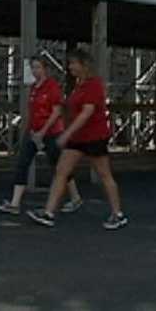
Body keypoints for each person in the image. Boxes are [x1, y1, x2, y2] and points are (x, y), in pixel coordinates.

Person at [28, 48, 127, 230]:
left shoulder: (94, 85)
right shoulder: (78, 85)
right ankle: (48, 213)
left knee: (104, 175)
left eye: (73, 63)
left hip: (94, 137)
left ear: (84, 65)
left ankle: (117, 213)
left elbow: (86, 113)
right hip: (78, 138)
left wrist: (66, 133)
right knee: (61, 170)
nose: (70, 67)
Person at [0, 55, 83, 215]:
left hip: (51, 132)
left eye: (38, 67)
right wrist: (31, 131)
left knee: (59, 167)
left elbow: (56, 111)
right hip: (33, 131)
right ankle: (15, 203)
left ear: (45, 69)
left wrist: (43, 132)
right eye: (33, 67)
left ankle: (75, 196)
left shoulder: (52, 87)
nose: (35, 71)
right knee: (23, 162)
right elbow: (33, 111)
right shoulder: (34, 88)